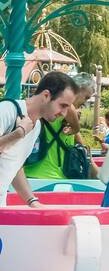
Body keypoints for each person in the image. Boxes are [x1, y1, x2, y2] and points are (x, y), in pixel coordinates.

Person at [0, 72, 78, 206]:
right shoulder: (7, 110)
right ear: (46, 95)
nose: (64, 113)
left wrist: (32, 201)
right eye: (63, 105)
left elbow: (14, 165)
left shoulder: (35, 127)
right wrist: (18, 134)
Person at [26, 72, 94, 182]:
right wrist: (76, 128)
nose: (85, 102)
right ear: (77, 89)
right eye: (86, 97)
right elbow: (76, 127)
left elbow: (80, 142)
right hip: (52, 177)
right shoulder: (66, 110)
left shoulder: (50, 107)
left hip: (31, 173)